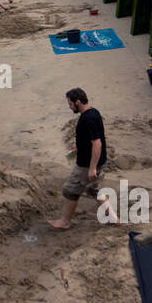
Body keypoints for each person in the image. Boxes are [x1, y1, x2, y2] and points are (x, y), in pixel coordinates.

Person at [49, 88, 107, 229]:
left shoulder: (88, 118)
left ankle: (65, 222)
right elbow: (92, 138)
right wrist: (79, 145)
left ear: (78, 102)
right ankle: (112, 217)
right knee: (93, 189)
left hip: (87, 164)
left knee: (70, 191)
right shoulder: (93, 112)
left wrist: (92, 168)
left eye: (70, 104)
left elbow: (97, 143)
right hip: (93, 160)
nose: (69, 106)